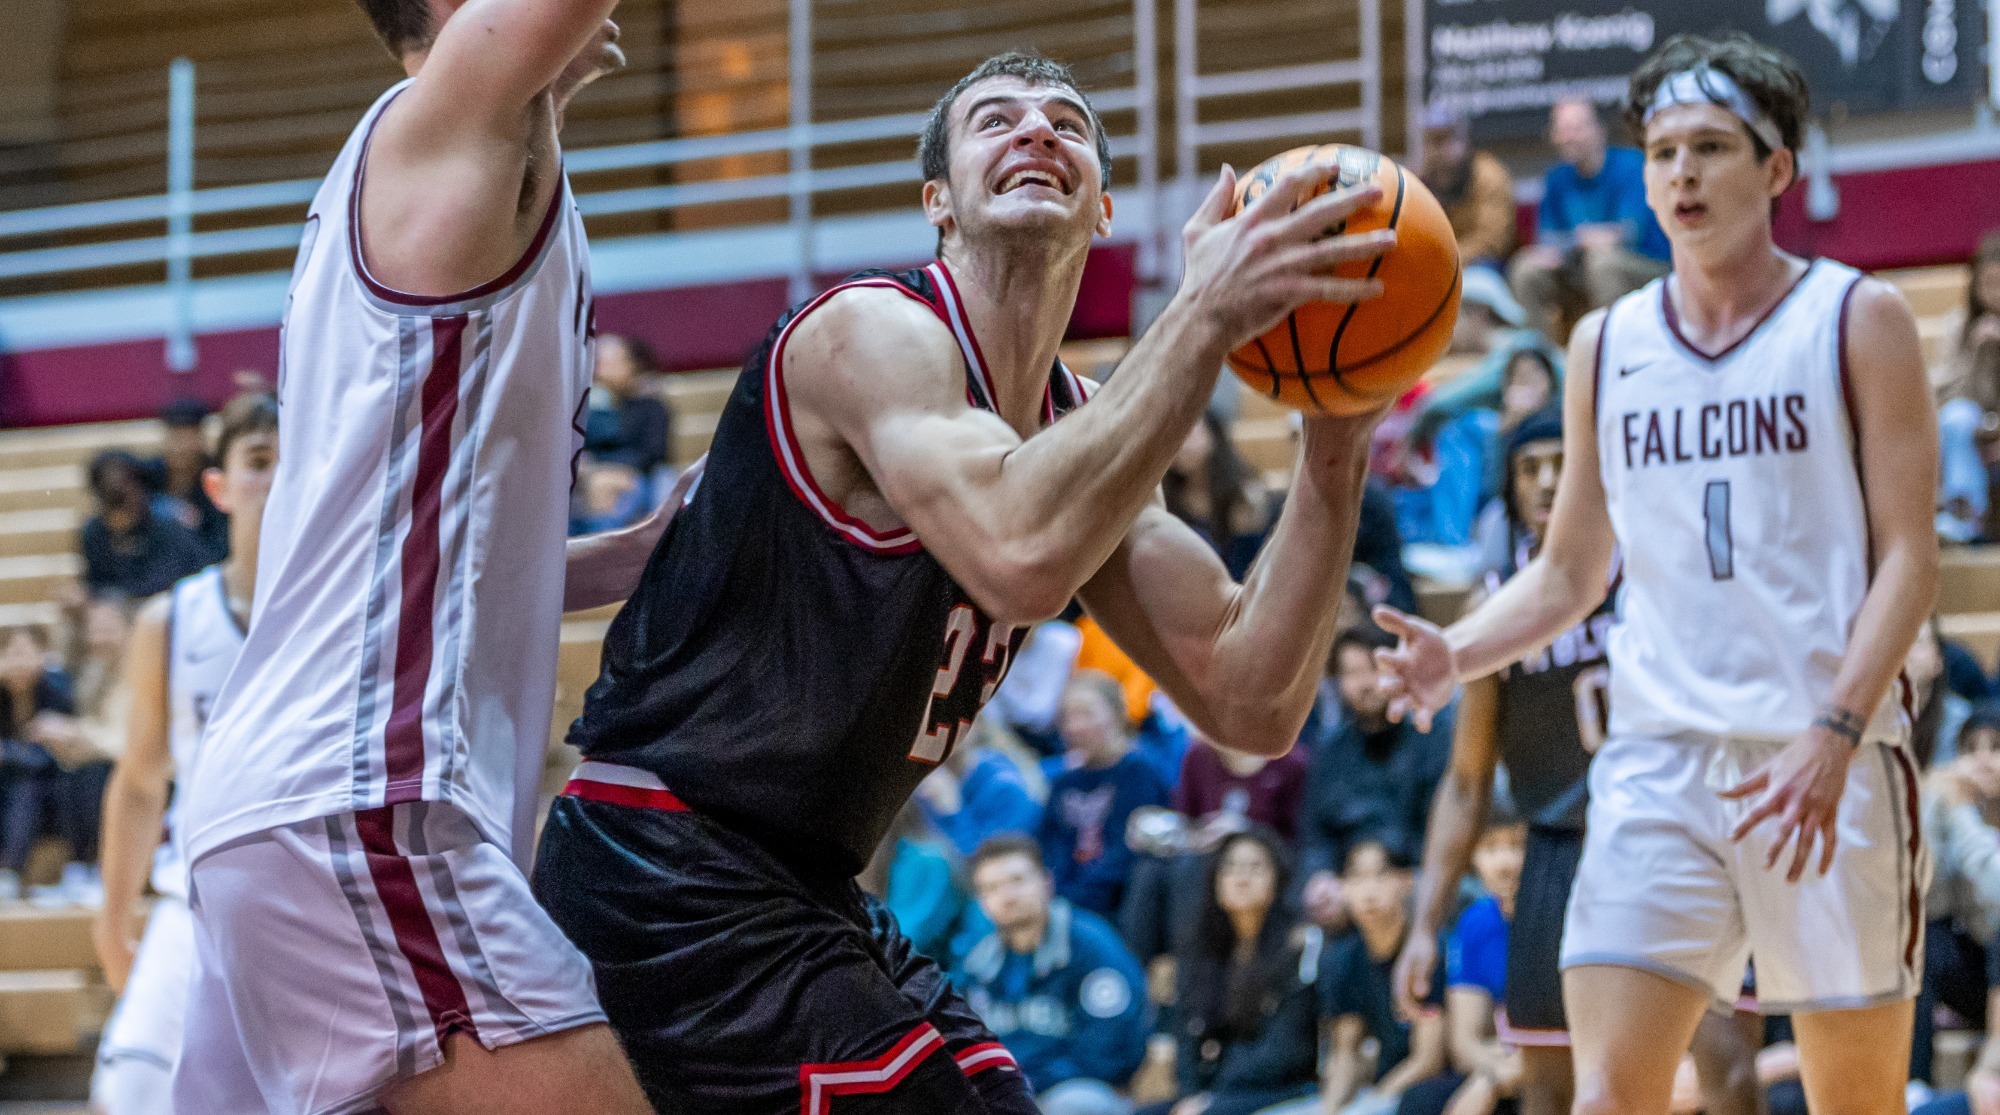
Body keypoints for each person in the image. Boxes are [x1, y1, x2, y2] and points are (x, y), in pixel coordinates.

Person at [534, 49, 1397, 1114]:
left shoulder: (1083, 431)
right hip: (662, 858)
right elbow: (1017, 555)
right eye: (995, 119)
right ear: (936, 201)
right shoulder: (870, 332)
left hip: (800, 886)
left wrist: (1333, 450)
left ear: (1102, 207)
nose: (1036, 131)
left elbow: (1250, 694)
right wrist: (1203, 313)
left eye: (1066, 123)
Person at [1378, 33, 1940, 1115]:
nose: (1678, 173)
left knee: (1853, 1101)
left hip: (1822, 757)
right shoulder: (1605, 341)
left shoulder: (1854, 317)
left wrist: (1831, 731)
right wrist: (1461, 650)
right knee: (1608, 1096)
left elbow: (1908, 558)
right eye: (1660, 150)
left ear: (1776, 168)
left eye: (1710, 148)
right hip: (1652, 765)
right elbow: (1570, 569)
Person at [169, 0, 695, 1109]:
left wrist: (635, 553)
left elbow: (447, 555)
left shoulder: (446, 171)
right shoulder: (441, 123)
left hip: (302, 802)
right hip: (354, 798)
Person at [1390, 410, 1606, 1115]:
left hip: (1648, 830)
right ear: (1508, 487)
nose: (1546, 481)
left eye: (1561, 461)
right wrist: (1426, 920)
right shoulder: (1494, 605)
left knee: (1707, 1064)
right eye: (1528, 467)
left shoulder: (1646, 565)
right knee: (1547, 1090)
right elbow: (1466, 777)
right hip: (1552, 845)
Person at [89, 393, 276, 1115]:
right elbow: (139, 783)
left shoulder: (356, 612)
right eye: (258, 461)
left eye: (296, 463)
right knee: (127, 1091)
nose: (277, 479)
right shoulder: (171, 621)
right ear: (218, 486)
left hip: (313, 907)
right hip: (193, 907)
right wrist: (111, 920)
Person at [957, 835, 1150, 1115]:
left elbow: (1110, 1051)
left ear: (1046, 882)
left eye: (1017, 881)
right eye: (992, 888)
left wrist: (1024, 1086)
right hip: (1005, 1094)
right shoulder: (977, 963)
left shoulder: (1092, 946)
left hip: (1078, 1089)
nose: (1007, 896)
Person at [1140, 827, 1324, 1115]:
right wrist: (1192, 1094)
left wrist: (1215, 1099)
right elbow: (1187, 1032)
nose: (1241, 878)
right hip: (1216, 1089)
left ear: (1278, 879)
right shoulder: (1202, 948)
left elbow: (1289, 1049)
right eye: (1230, 867)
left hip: (1284, 1088)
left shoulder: (1300, 944)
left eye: (1255, 867)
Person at [1299, 626, 1452, 928]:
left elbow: (1440, 826)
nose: (1365, 684)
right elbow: (1316, 836)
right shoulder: (1330, 753)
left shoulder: (1432, 738)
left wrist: (1400, 880)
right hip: (1349, 888)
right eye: (1352, 673)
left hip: (1415, 879)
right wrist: (1322, 879)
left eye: (1373, 669)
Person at [1507, 98, 1670, 343]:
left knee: (1602, 262)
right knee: (1526, 268)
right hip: (1581, 269)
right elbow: (1546, 245)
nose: (1569, 137)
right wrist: (1580, 241)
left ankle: (1612, 352)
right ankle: (1539, 361)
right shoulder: (1556, 179)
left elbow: (1627, 234)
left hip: (1646, 267)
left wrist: (1576, 242)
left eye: (1576, 128)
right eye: (1562, 130)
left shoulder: (1630, 166)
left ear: (1598, 131)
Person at [1315, 840, 1448, 1115]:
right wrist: (1330, 1110)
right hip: (1379, 1087)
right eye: (1357, 877)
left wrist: (1372, 1102)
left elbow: (1428, 1060)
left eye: (1381, 875)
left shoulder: (1426, 952)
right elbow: (1345, 1053)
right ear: (1343, 887)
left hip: (1426, 1090)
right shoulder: (1343, 959)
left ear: (1407, 881)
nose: (1369, 890)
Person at [1041, 670, 1172, 917]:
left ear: (1117, 714)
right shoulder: (1063, 782)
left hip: (1122, 903)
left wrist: (1075, 898)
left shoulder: (1141, 772)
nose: (1075, 726)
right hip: (1065, 903)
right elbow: (1052, 849)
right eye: (1068, 716)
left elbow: (1127, 855)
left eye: (1086, 714)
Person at [0, 625, 100, 899]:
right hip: (9, 790)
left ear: (42, 655)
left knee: (38, 784)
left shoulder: (59, 689)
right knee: (21, 784)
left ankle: (79, 867)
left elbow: (72, 747)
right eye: (8, 653)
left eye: (23, 652)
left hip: (55, 791)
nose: (16, 661)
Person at [1933, 232, 2000, 543]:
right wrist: (1975, 355)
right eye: (1990, 284)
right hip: (1973, 434)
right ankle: (1963, 518)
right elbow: (1942, 397)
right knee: (1957, 417)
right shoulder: (1958, 327)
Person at [78, 450, 210, 601]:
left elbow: (168, 583)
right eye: (112, 500)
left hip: (173, 602)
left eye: (123, 496)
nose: (119, 518)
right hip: (122, 607)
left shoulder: (169, 522)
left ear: (140, 490)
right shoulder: (94, 531)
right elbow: (96, 582)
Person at [1164, 410, 1275, 580]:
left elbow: (1251, 569)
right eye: (1173, 437)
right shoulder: (1167, 498)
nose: (1181, 444)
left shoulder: (1244, 493)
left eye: (1189, 430)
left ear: (1212, 433)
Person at [1418, 106, 1516, 274]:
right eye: (1432, 141)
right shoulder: (1421, 181)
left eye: (1445, 140)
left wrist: (1444, 260)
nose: (1439, 152)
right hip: (1440, 266)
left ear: (1464, 141)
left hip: (1485, 266)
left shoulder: (1490, 176)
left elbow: (1493, 241)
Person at [143, 397, 229, 565]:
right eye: (176, 437)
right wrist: (164, 507)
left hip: (206, 563)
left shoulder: (218, 476)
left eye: (189, 437)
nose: (182, 447)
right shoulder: (148, 475)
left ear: (201, 438)